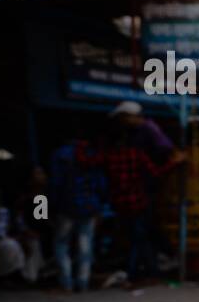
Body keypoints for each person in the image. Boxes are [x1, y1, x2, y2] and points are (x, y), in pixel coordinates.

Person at [102, 116, 185, 288]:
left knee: (138, 237)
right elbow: (156, 172)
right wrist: (173, 163)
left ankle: (148, 271)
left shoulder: (109, 157)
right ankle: (136, 273)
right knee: (139, 238)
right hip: (138, 201)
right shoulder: (136, 155)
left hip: (119, 203)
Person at [48, 134, 106, 292]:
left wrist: (49, 209)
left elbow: (55, 183)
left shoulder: (60, 154)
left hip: (65, 207)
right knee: (85, 245)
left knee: (61, 244)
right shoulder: (92, 154)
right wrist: (100, 206)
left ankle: (66, 283)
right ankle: (83, 282)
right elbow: (101, 184)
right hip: (89, 207)